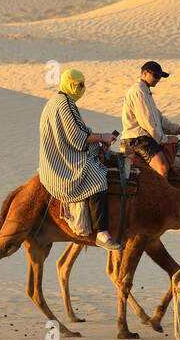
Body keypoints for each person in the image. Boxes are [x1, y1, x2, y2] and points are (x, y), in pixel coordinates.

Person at [38, 69, 121, 251]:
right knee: (97, 178)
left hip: (64, 155)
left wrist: (101, 140)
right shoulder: (63, 103)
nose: (82, 88)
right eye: (79, 85)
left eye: (83, 84)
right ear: (69, 85)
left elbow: (78, 132)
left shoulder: (61, 102)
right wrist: (102, 137)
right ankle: (102, 233)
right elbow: (76, 137)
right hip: (65, 161)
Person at [120, 60, 180, 179]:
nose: (158, 79)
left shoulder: (146, 92)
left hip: (147, 138)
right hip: (138, 139)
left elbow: (159, 119)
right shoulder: (138, 92)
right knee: (162, 169)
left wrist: (178, 130)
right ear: (145, 73)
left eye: (160, 77)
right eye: (156, 76)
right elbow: (147, 123)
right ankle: (159, 197)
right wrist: (164, 139)